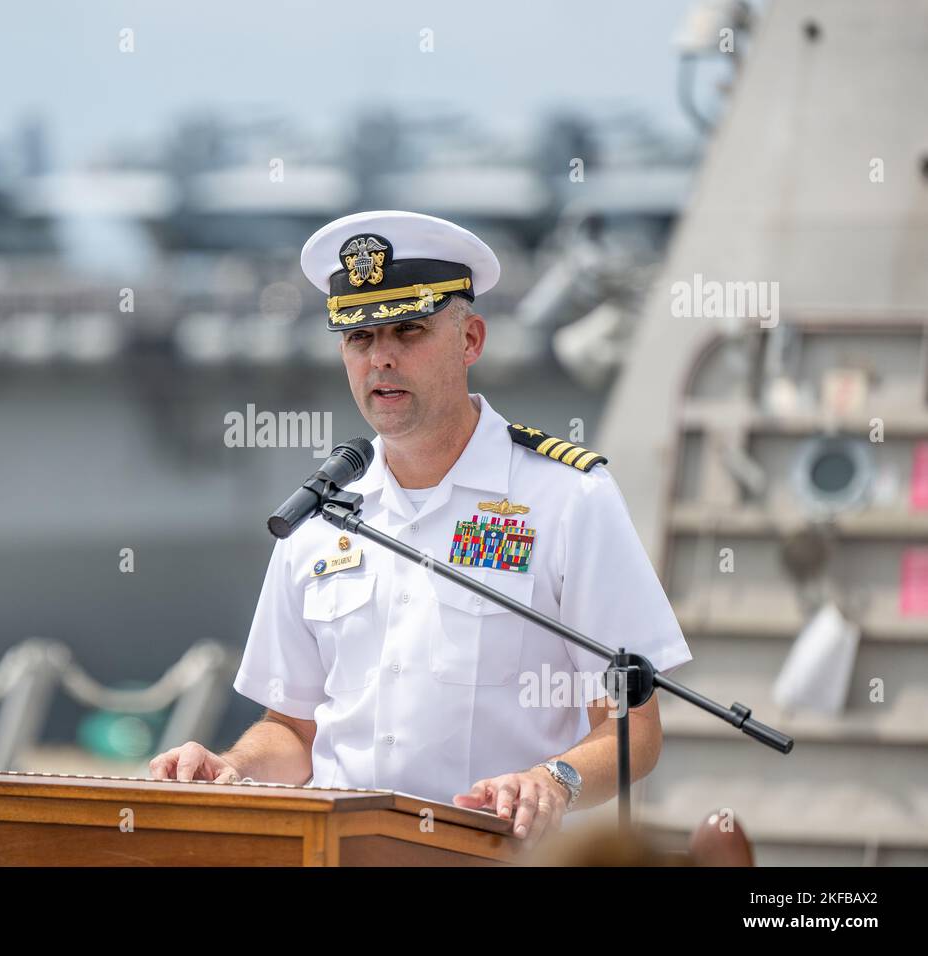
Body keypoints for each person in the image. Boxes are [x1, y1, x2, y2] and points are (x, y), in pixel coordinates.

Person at [150, 210, 692, 853]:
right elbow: (293, 730)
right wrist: (232, 769)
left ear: (471, 340)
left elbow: (634, 727)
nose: (381, 357)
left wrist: (554, 780)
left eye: (408, 330)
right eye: (359, 338)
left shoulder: (567, 497)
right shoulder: (318, 516)